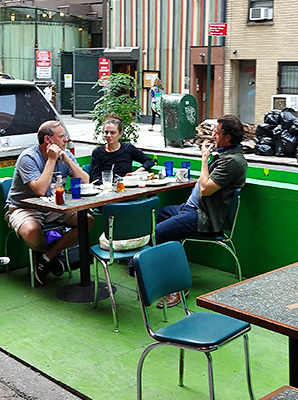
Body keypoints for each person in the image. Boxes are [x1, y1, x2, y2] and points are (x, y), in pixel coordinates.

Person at [146, 114, 248, 306]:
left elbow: (205, 188)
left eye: (216, 133)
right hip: (191, 209)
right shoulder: (226, 154)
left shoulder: (232, 161)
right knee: (153, 217)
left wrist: (204, 158)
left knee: (159, 232)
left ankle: (177, 287)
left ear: (227, 137)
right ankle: (145, 268)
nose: (213, 137)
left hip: (204, 217)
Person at [5, 121, 92, 286]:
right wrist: (52, 159)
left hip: (53, 205)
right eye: (61, 137)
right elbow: (40, 190)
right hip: (24, 207)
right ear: (48, 140)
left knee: (87, 221)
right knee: (31, 231)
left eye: (65, 136)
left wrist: (67, 160)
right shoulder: (28, 157)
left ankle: (46, 258)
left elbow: (86, 182)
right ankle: (47, 255)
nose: (66, 140)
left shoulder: (65, 153)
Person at [89, 114, 154, 183]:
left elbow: (149, 161)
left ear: (120, 134)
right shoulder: (97, 152)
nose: (108, 135)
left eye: (112, 133)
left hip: (127, 186)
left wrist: (136, 173)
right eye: (106, 132)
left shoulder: (128, 148)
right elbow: (95, 178)